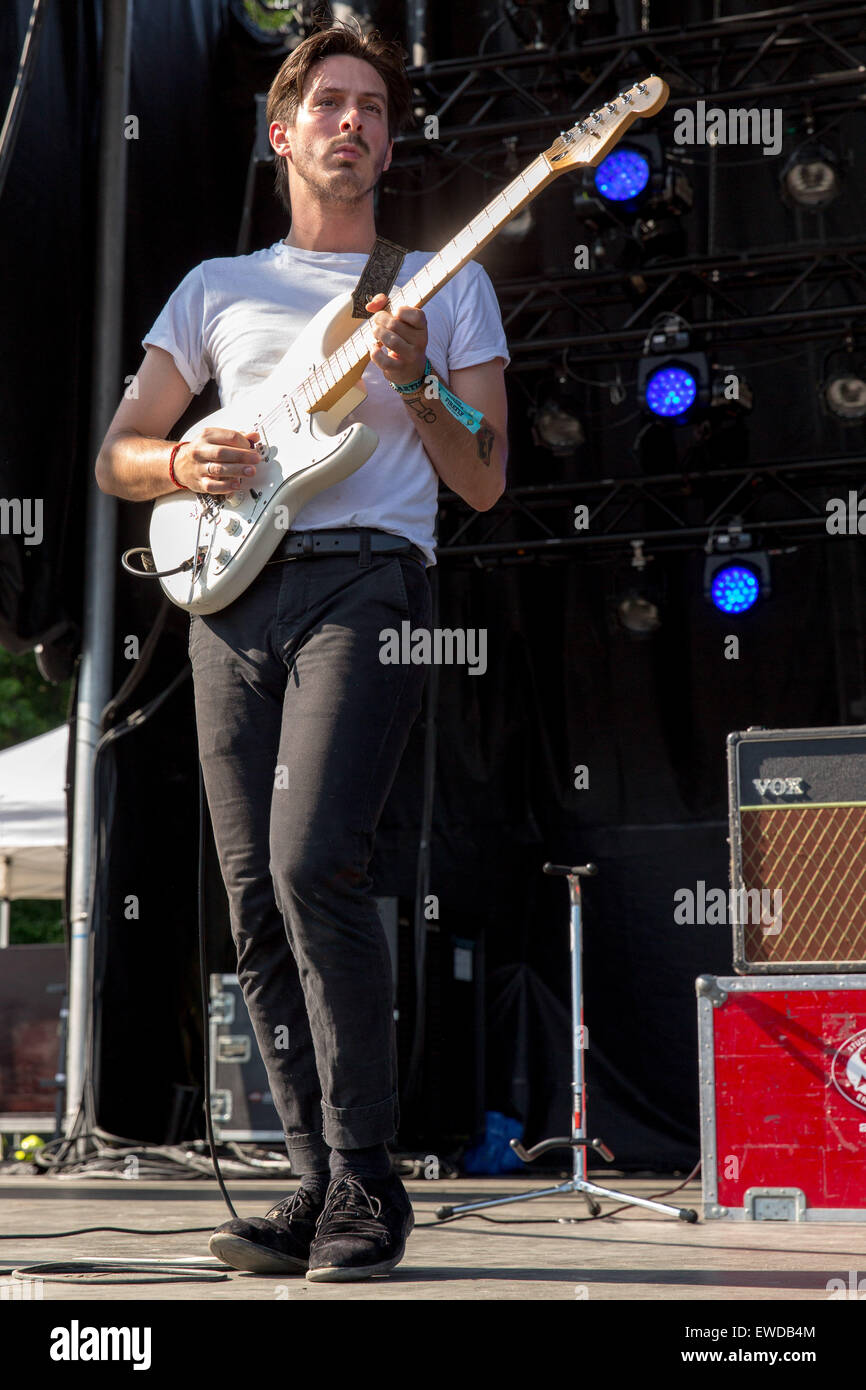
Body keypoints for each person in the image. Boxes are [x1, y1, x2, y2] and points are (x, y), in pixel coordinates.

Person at [95, 19, 509, 1282]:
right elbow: (120, 453)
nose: (351, 122)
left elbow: (484, 481)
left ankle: (372, 1184)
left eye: (372, 107)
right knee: (251, 897)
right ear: (282, 133)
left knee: (312, 862)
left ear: (388, 139)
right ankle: (314, 1181)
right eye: (327, 102)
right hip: (230, 599)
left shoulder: (442, 282)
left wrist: (420, 382)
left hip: (368, 587)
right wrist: (181, 458)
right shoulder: (216, 289)